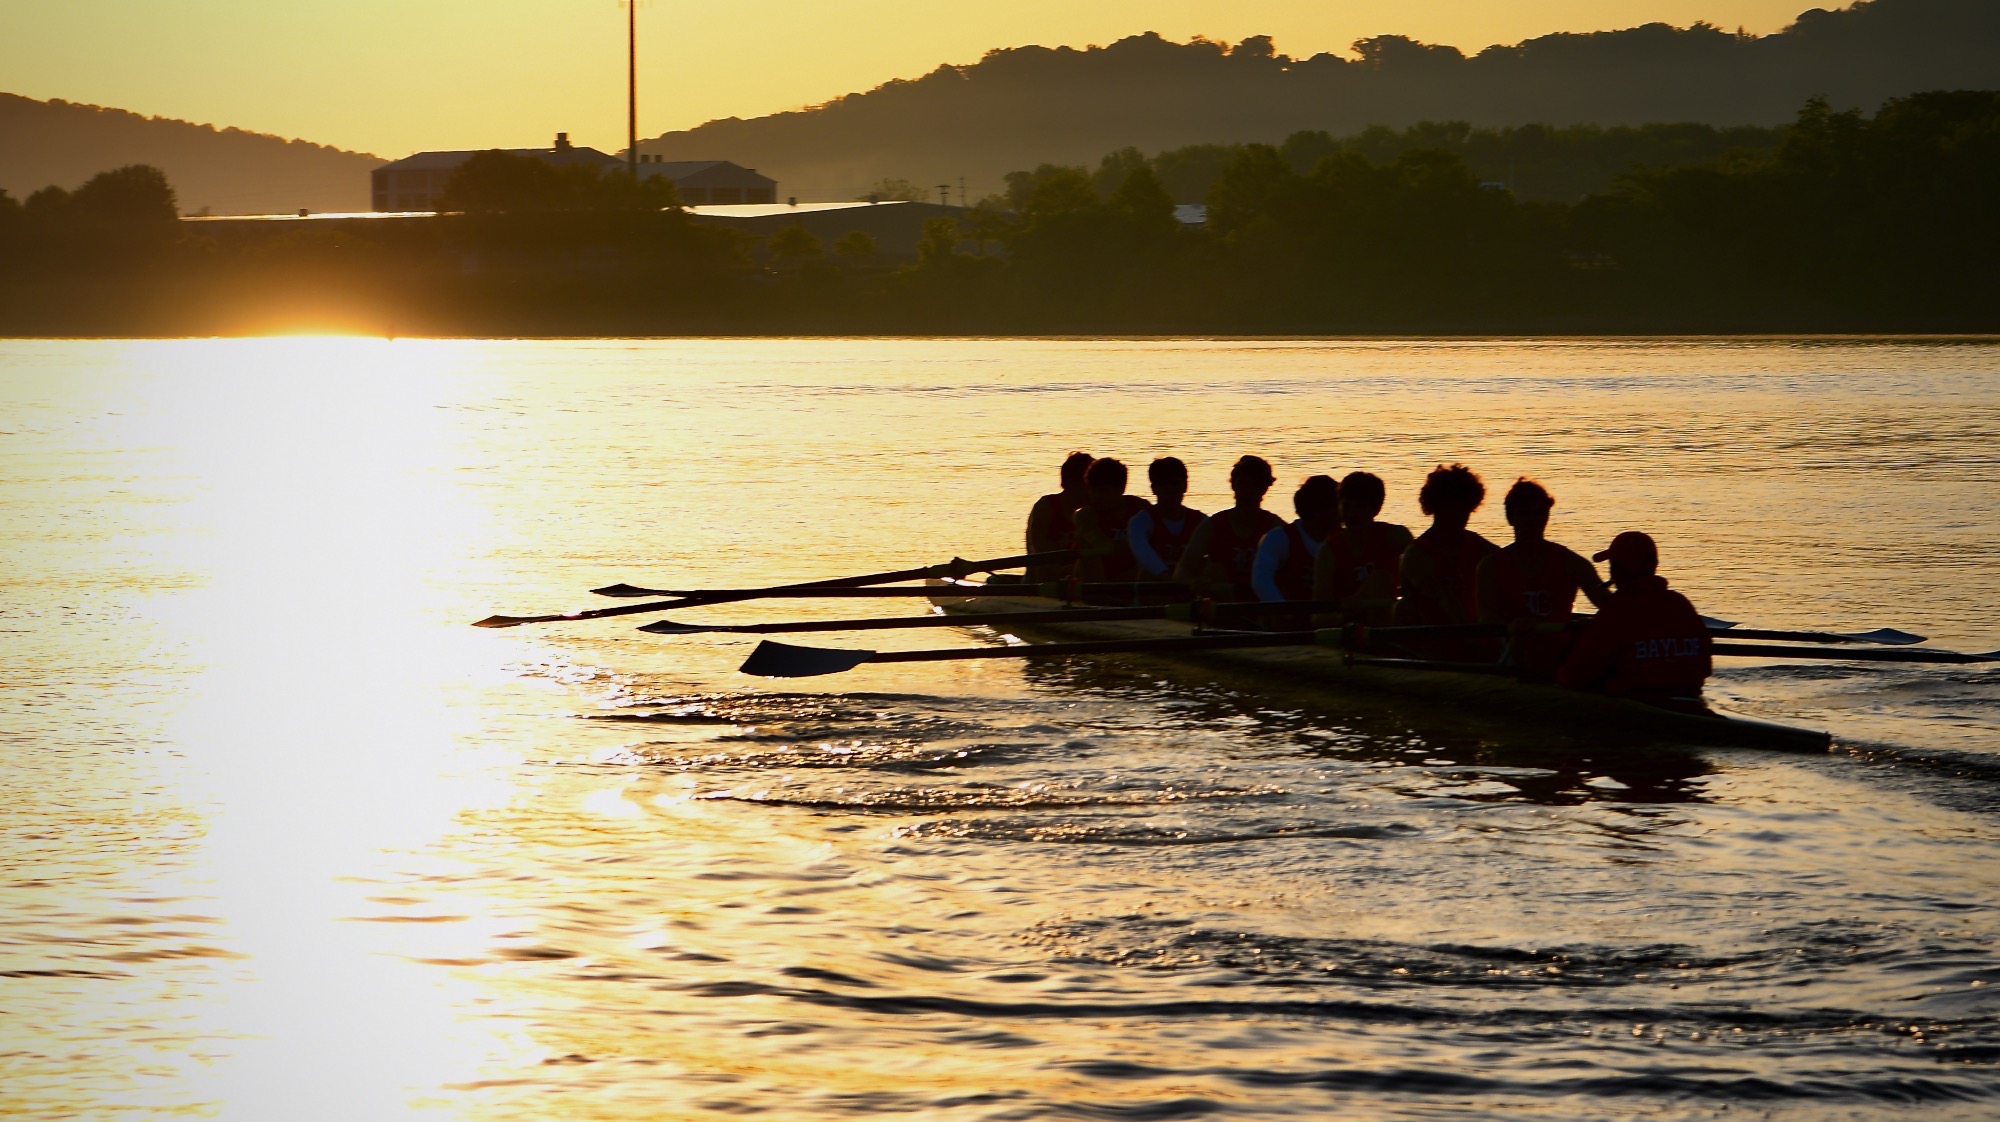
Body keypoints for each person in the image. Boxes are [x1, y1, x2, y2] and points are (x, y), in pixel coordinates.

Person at [1475, 478, 1612, 679]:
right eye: (1523, 514)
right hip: (1511, 655)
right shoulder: (1489, 567)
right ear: (1510, 518)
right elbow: (1486, 618)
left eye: (1537, 514)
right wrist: (1511, 626)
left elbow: (1609, 607)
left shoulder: (1572, 562)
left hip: (1561, 658)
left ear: (1547, 515)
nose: (1530, 522)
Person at [1558, 531, 1713, 704]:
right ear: (1654, 564)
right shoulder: (1682, 605)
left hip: (1637, 706)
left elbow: (1573, 676)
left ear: (1615, 570)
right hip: (1690, 700)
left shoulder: (1615, 612)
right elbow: (1706, 668)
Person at [1394, 463, 1498, 628]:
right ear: (1435, 507)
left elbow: (1508, 563)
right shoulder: (1417, 555)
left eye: (1464, 508)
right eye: (1452, 508)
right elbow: (1443, 599)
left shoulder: (1479, 546)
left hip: (1476, 634)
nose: (1459, 515)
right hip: (1433, 637)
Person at [1312, 470, 1414, 626]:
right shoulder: (1329, 552)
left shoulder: (1396, 536)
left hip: (1389, 621)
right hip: (1349, 626)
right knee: (1378, 580)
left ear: (1376, 509)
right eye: (1346, 507)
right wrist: (1348, 617)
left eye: (1358, 508)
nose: (1351, 514)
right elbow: (1318, 619)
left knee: (1380, 581)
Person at [1175, 455, 1283, 599]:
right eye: (1243, 484)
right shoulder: (1213, 526)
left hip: (1260, 606)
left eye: (1255, 485)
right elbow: (1181, 571)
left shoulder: (1276, 528)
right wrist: (1195, 581)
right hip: (1221, 605)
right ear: (1233, 485)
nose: (1248, 491)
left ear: (1265, 488)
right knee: (1215, 571)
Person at [1252, 474, 1339, 602]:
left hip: (1330, 618)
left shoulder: (1343, 539)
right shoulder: (1278, 538)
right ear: (1322, 509)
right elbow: (1261, 581)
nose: (1345, 512)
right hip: (1287, 617)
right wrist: (1284, 611)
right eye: (1339, 506)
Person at [1071, 457, 1152, 582]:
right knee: (1090, 549)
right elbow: (1102, 545)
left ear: (1121, 489)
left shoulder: (1140, 508)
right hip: (1096, 578)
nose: (1095, 496)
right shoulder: (1085, 515)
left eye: (1103, 491)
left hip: (1133, 576)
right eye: (1092, 489)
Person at [1127, 457, 1205, 580]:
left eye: (1175, 484)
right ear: (1153, 489)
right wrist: (1165, 576)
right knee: (1147, 574)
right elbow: (1141, 551)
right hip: (1154, 591)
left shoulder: (1201, 521)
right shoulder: (1139, 522)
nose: (1170, 491)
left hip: (1188, 592)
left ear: (1185, 486)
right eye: (1163, 485)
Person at [1025, 451, 1092, 582]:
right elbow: (1041, 553)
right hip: (1041, 584)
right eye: (1086, 486)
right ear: (1068, 482)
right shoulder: (1045, 508)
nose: (1091, 492)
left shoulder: (1093, 512)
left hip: (1077, 583)